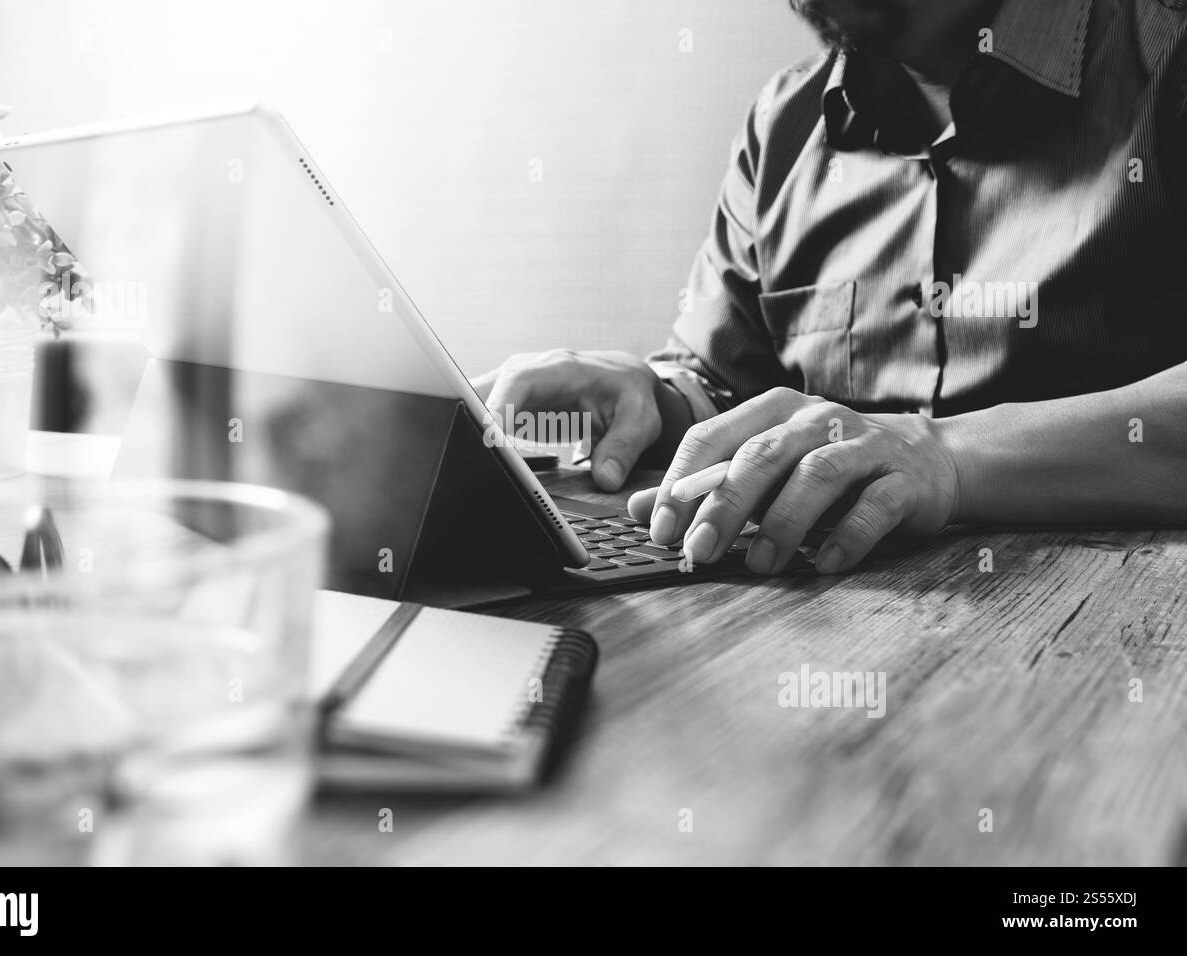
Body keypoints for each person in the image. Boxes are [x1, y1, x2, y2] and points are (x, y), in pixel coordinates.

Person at [473, 0, 1187, 576]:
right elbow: (722, 380)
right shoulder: (785, 124)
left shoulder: (1167, 56)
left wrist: (946, 458)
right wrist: (658, 399)